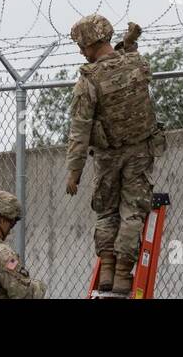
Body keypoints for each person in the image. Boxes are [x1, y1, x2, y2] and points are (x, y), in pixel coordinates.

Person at [65, 16, 164, 297]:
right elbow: (133, 64)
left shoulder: (89, 80)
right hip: (140, 152)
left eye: (81, 44)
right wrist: (130, 43)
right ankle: (123, 274)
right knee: (133, 212)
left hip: (108, 157)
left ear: (91, 41)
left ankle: (107, 269)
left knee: (107, 211)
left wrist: (75, 171)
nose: (80, 50)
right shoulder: (136, 63)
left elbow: (80, 129)